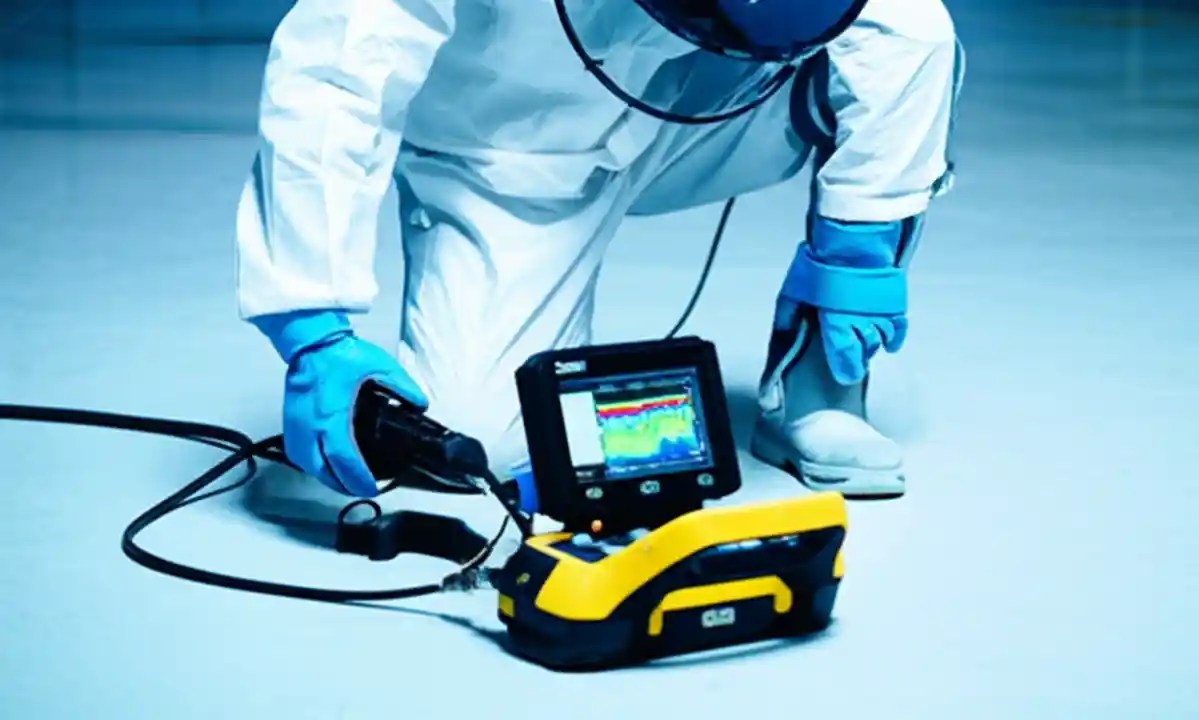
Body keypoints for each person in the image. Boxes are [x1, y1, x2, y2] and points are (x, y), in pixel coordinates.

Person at [236, 0, 963, 502]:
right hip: (504, 165)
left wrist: (856, 255)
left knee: (915, 42)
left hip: (695, 107)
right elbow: (334, 70)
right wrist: (312, 326)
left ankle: (818, 379)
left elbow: (900, 25)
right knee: (480, 445)